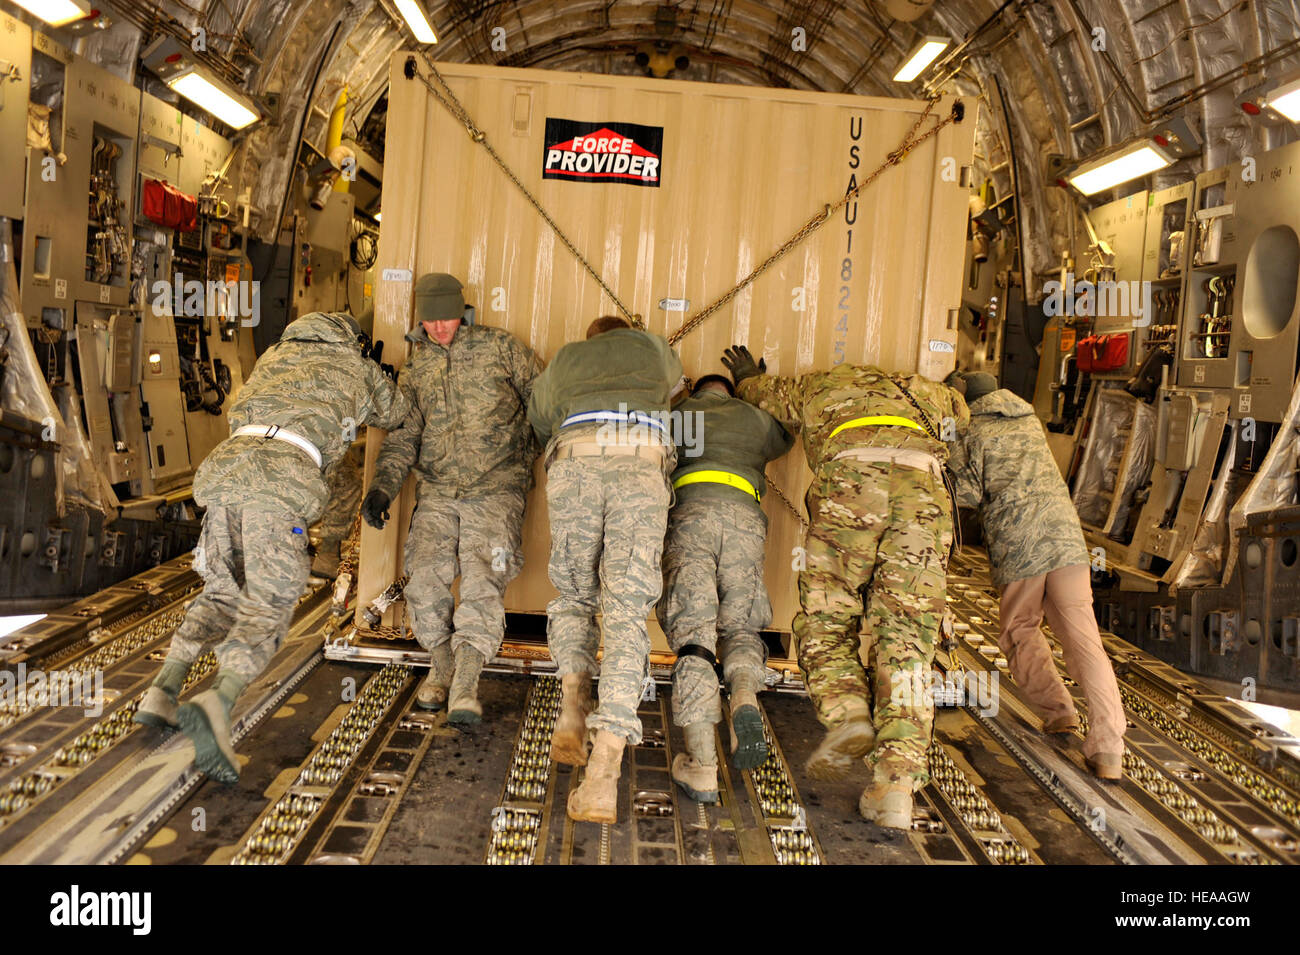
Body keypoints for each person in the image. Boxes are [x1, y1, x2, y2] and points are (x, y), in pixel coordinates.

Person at [134, 311, 410, 784]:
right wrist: (383, 376)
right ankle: (218, 703)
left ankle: (163, 689)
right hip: (280, 483)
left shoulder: (273, 355)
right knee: (269, 601)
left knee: (221, 592)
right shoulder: (356, 367)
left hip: (227, 472)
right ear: (350, 340)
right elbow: (398, 413)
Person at [723, 344, 967, 829]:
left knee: (828, 620)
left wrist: (749, 376)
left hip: (852, 487)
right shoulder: (928, 394)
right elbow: (963, 414)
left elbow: (759, 396)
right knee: (909, 641)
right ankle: (896, 785)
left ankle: (849, 713)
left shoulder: (817, 385)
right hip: (923, 493)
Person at [361, 273, 543, 724]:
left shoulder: (502, 348)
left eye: (446, 318)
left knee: (483, 580)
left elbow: (544, 403)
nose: (439, 328)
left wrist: (529, 456)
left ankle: (466, 683)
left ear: (461, 312)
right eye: (430, 320)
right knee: (423, 578)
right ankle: (441, 665)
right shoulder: (417, 366)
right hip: (439, 490)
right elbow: (406, 434)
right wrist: (383, 485)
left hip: (497, 489)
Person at [527, 315, 681, 824]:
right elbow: (675, 386)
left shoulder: (569, 356)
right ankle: (604, 771)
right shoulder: (654, 349)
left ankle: (572, 704)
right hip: (641, 464)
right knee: (625, 613)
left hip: (576, 460)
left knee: (573, 595)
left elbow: (539, 415)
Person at [946, 371, 1126, 779]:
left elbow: (967, 493)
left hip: (1021, 545)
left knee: (1019, 629)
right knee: (1084, 642)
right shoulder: (1028, 420)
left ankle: (1058, 711)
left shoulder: (970, 429)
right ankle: (1108, 746)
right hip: (1066, 540)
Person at [658, 374, 793, 803]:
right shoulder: (753, 418)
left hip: (690, 514)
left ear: (697, 390)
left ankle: (701, 766)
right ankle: (745, 698)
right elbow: (787, 434)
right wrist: (755, 386)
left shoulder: (677, 414)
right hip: (744, 519)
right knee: (740, 628)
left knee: (695, 640)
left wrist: (675, 396)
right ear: (731, 393)